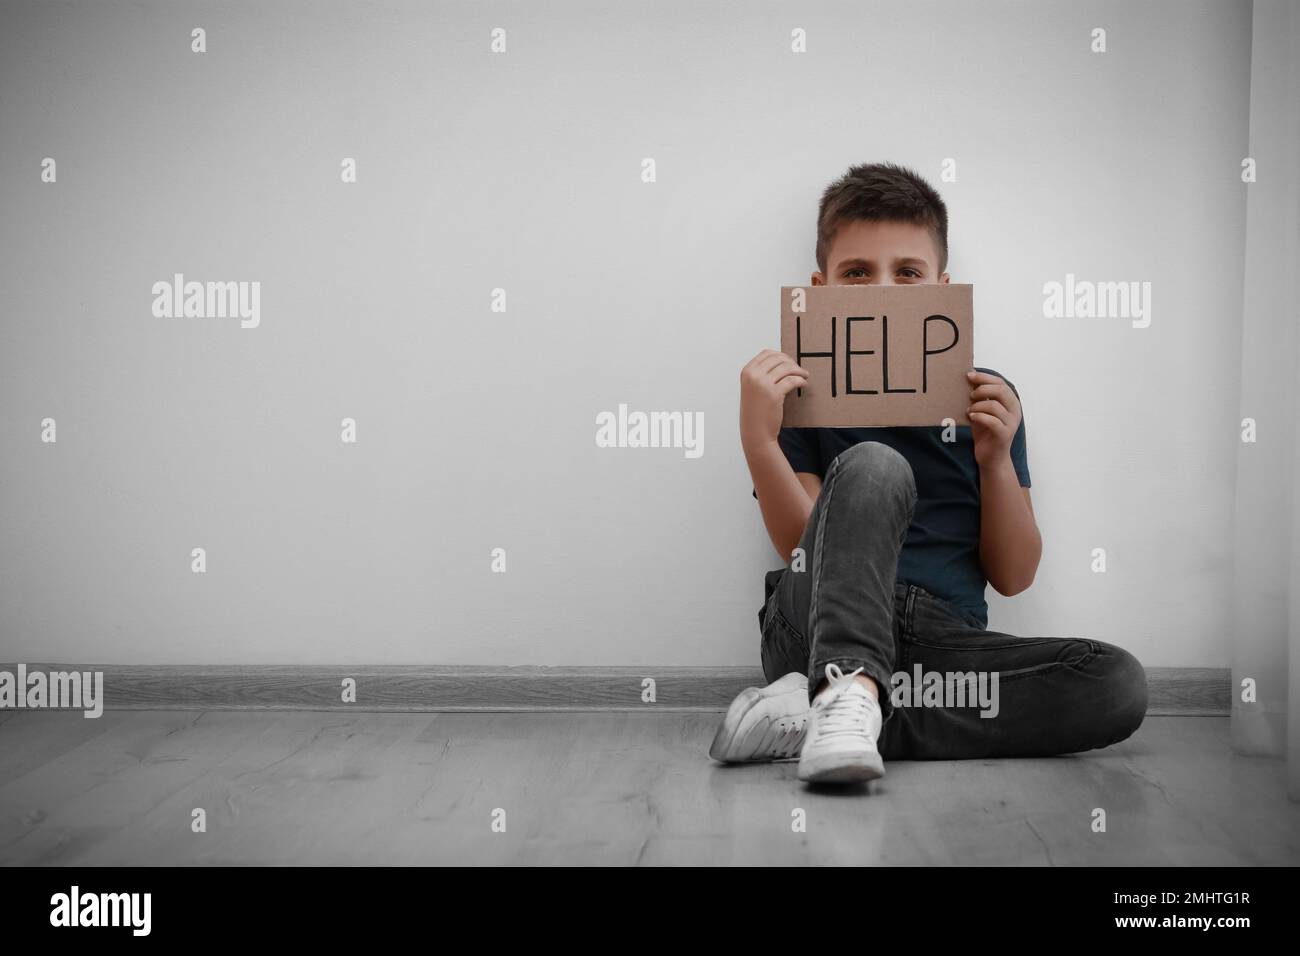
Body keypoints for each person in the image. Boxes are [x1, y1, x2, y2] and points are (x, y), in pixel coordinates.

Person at [710, 162, 1148, 785]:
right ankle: (843, 686)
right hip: (814, 627)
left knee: (1114, 682)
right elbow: (799, 548)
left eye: (908, 274)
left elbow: (1015, 575)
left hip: (940, 647)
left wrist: (995, 459)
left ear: (943, 288)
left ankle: (831, 711)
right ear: (820, 288)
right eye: (856, 274)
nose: (883, 291)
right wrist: (759, 438)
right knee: (874, 466)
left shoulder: (986, 402)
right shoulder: (800, 398)